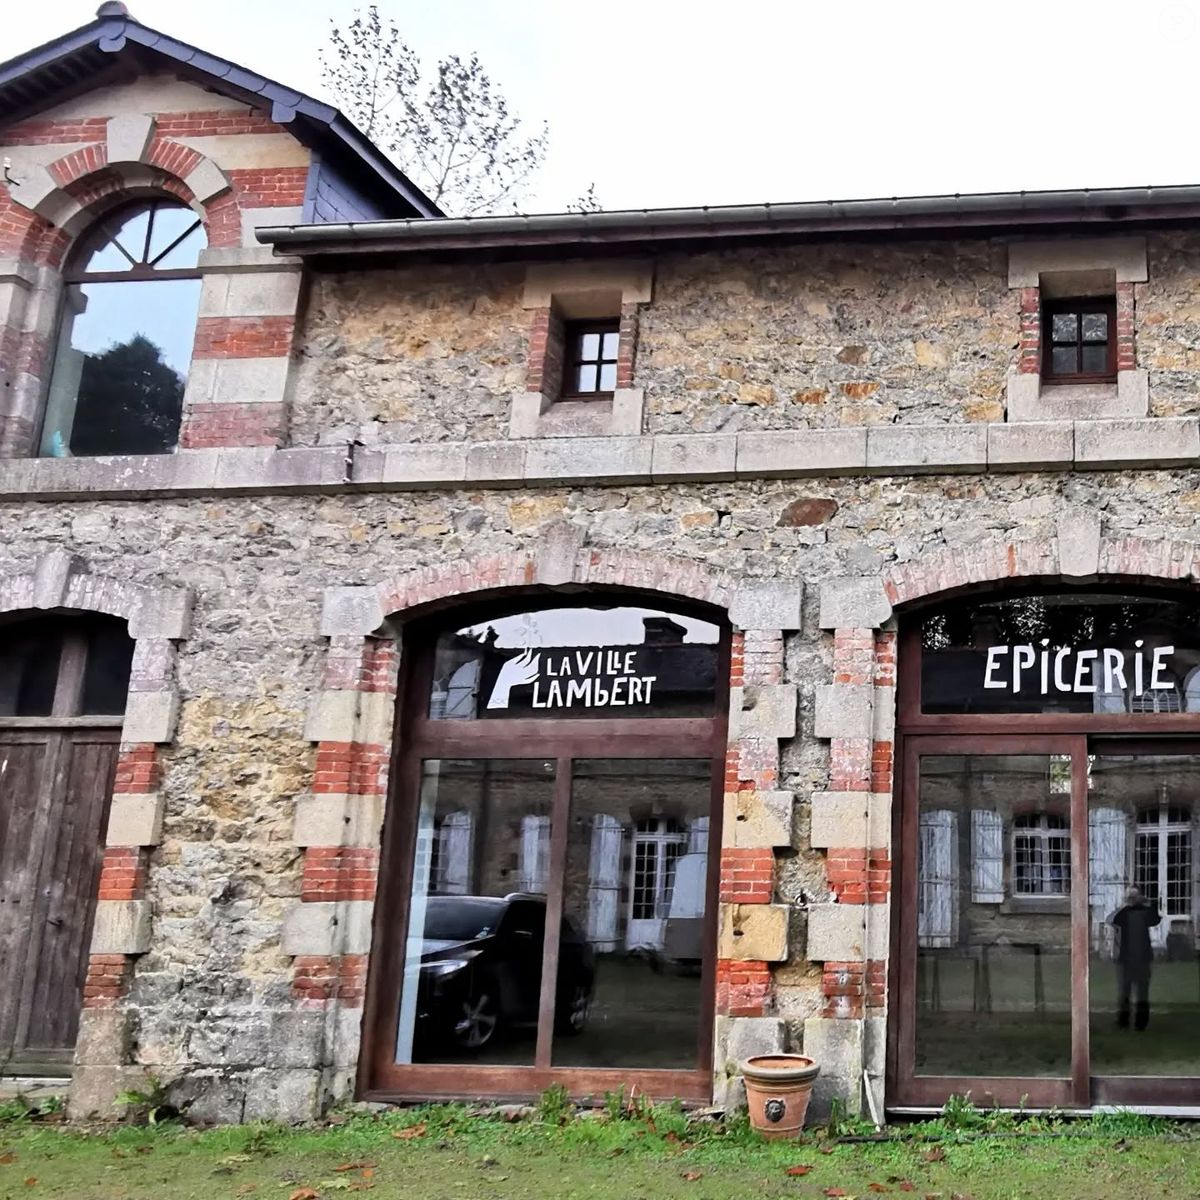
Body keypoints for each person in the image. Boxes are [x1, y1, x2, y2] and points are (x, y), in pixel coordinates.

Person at [1110, 886, 1161, 1031]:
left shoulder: (1145, 913)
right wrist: (1125, 905)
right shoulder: (1124, 913)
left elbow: (1155, 919)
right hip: (1128, 959)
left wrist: (1148, 903)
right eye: (1129, 895)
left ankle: (1140, 1023)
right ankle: (1124, 1021)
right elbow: (1113, 919)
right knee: (1126, 992)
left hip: (1142, 958)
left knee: (1142, 992)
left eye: (1134, 895)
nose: (1131, 898)